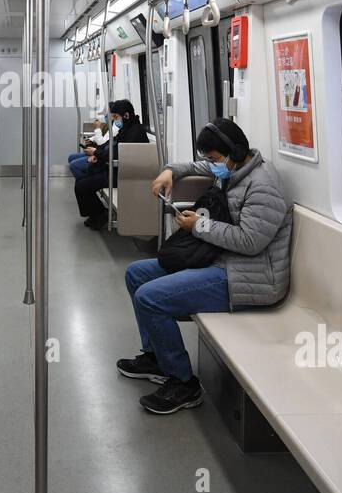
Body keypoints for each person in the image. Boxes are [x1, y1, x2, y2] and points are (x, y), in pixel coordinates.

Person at [116, 118, 292, 415]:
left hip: (247, 277)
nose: (212, 165)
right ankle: (157, 357)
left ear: (233, 153)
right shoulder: (233, 169)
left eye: (214, 159)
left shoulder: (263, 186)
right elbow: (198, 168)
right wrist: (169, 172)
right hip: (221, 259)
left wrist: (199, 226)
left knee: (151, 297)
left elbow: (251, 242)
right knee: (137, 274)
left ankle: (183, 383)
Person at [75, 100, 148, 230]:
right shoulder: (127, 129)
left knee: (82, 186)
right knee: (82, 180)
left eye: (116, 117)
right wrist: (97, 155)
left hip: (123, 174)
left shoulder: (135, 133)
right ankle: (97, 214)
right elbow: (113, 149)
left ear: (125, 115)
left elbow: (119, 155)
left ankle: (100, 214)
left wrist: (97, 152)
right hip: (114, 169)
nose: (114, 120)